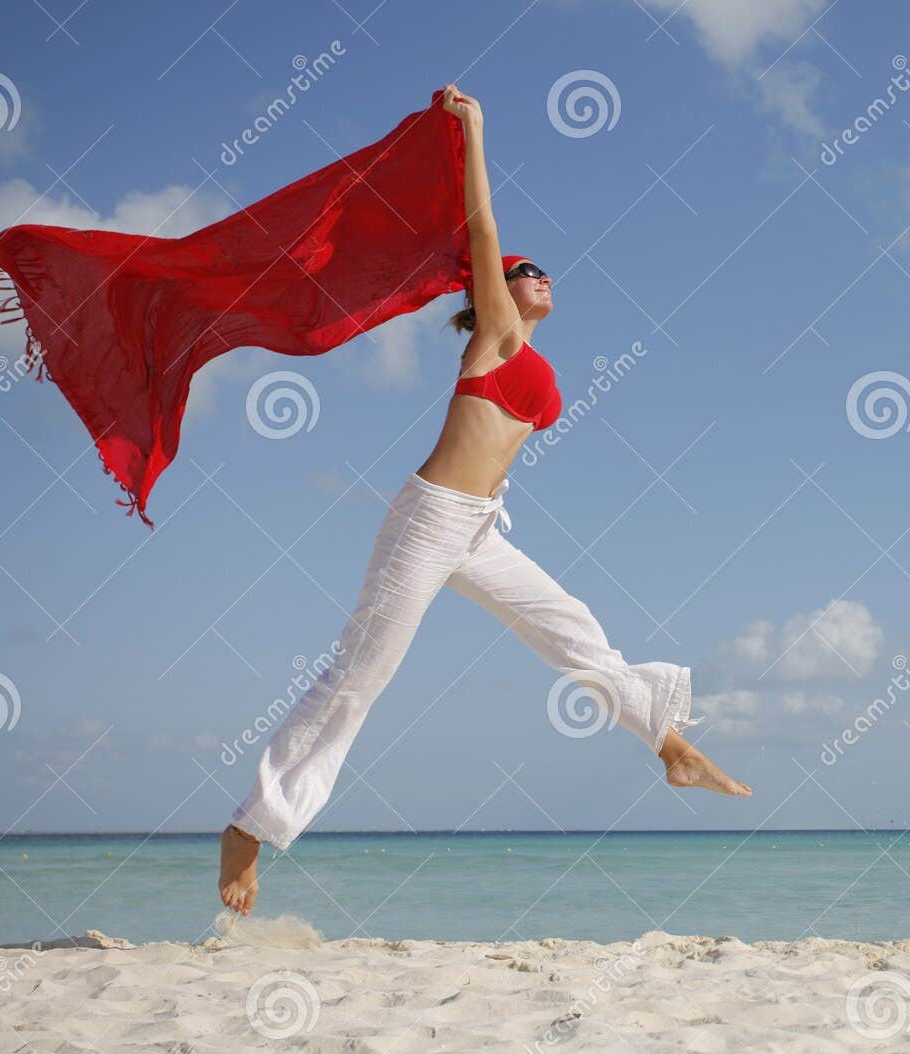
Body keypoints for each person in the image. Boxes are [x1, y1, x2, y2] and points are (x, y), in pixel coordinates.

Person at [218, 84, 750, 917]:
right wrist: (472, 130)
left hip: (478, 527)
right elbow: (485, 231)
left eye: (542, 272)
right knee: (362, 674)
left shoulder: (528, 352)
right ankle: (253, 826)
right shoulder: (496, 334)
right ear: (492, 295)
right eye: (522, 273)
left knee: (572, 628)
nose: (539, 276)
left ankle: (671, 746)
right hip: (430, 518)